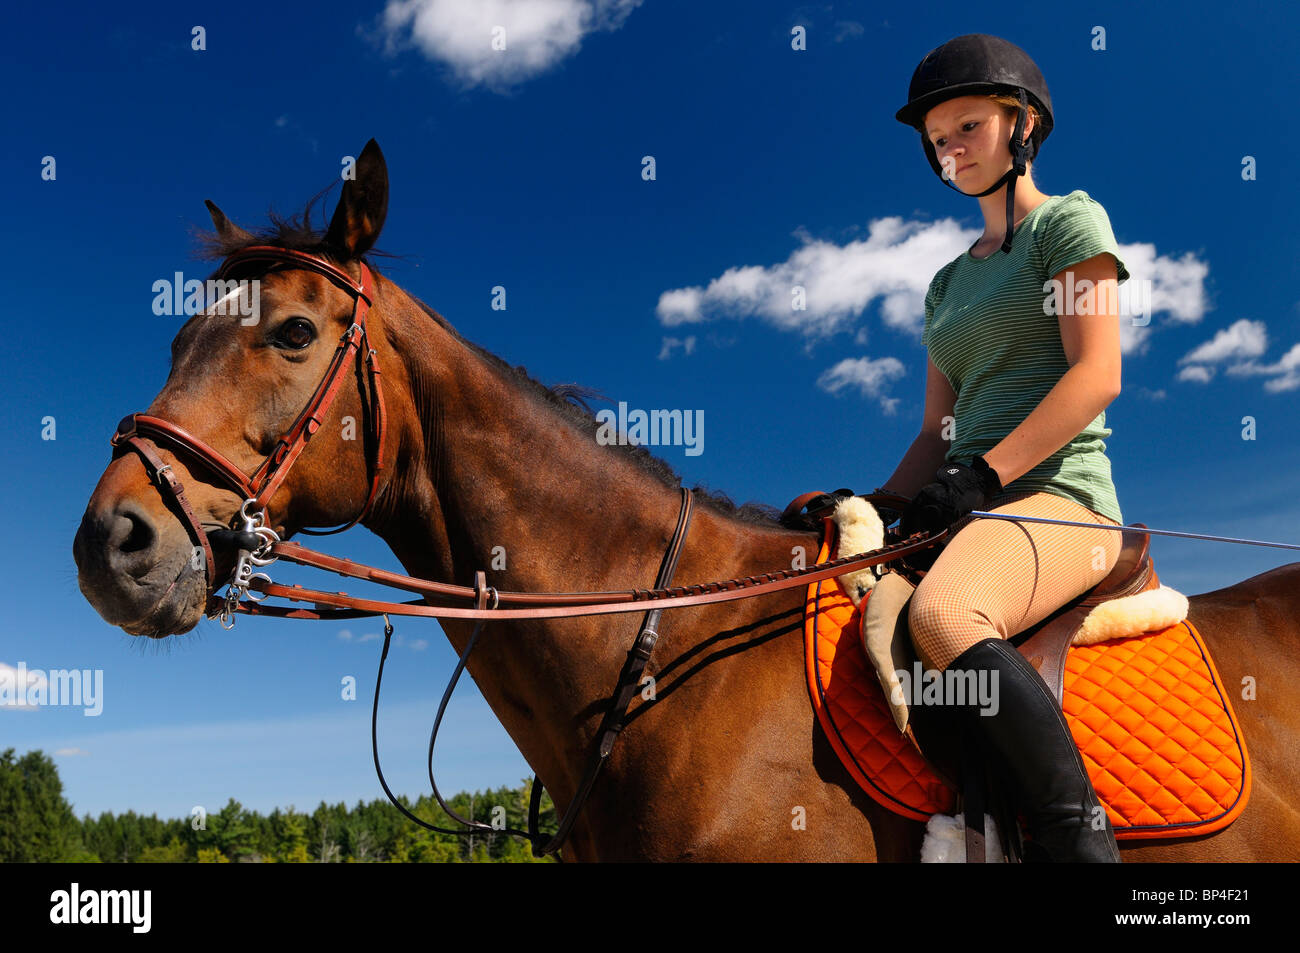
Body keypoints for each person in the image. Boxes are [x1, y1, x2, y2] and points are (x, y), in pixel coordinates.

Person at [879, 34, 1130, 862]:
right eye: (937, 138)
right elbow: (932, 432)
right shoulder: (946, 284)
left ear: (1023, 124)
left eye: (967, 127)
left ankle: (1074, 836)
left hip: (1064, 498)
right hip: (969, 502)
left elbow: (1097, 375)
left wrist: (984, 474)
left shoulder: (1070, 221)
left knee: (947, 615)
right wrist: (875, 505)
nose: (949, 148)